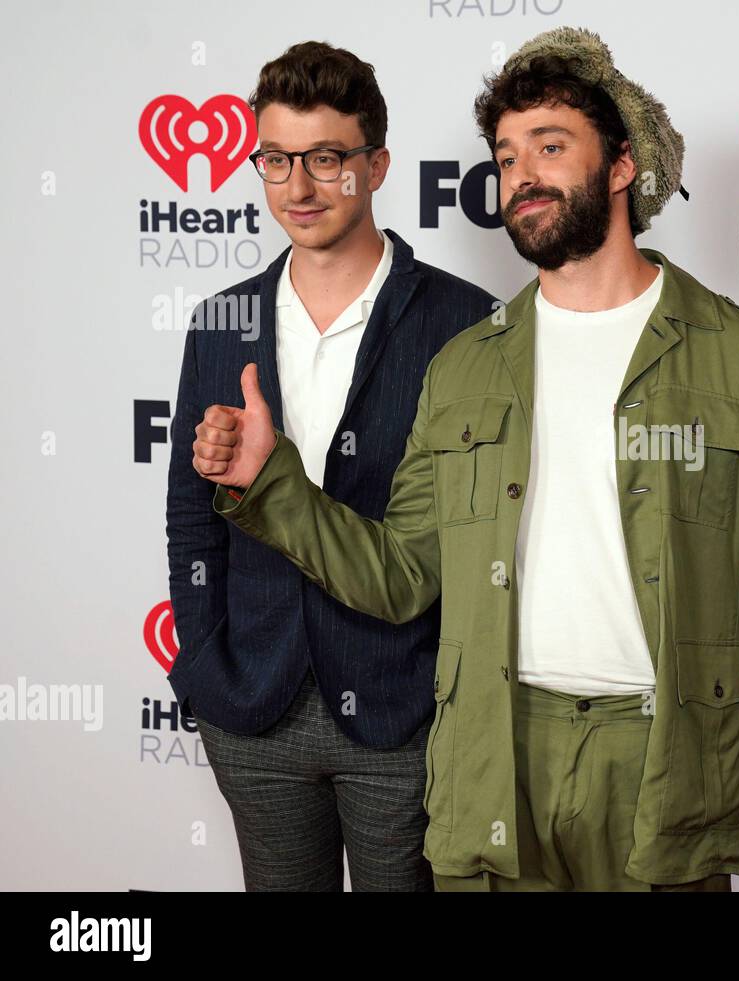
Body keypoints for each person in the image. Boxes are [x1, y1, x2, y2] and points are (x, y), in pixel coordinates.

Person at [189, 27, 739, 891]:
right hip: (493, 753)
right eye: (506, 155)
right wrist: (273, 486)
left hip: (661, 762)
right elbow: (402, 575)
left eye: (551, 147)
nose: (521, 174)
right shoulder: (465, 363)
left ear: (623, 165)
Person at [166, 41, 496, 891]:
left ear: (376, 163)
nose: (299, 188)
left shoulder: (463, 322)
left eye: (325, 159)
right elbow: (189, 514)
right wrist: (204, 663)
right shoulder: (221, 319)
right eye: (275, 160)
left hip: (403, 709)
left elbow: (467, 536)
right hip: (253, 707)